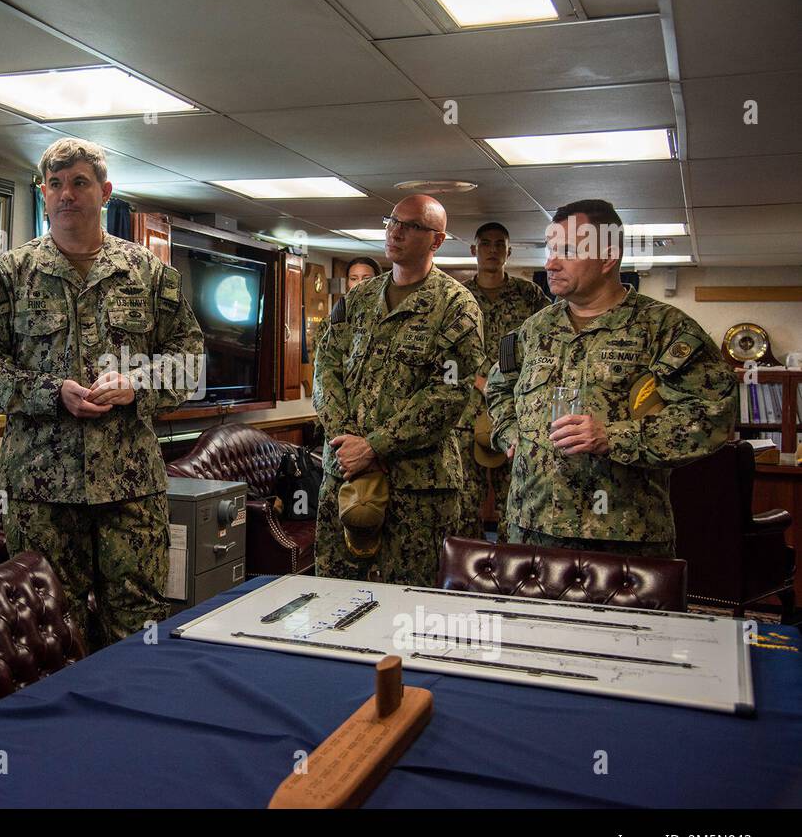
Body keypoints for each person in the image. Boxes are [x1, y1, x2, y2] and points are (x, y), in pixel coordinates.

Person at [0, 139, 203, 649]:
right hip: (40, 489)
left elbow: (190, 360)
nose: (66, 194)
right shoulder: (10, 276)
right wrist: (51, 392)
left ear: (105, 192)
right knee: (48, 625)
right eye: (56, 184)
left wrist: (137, 385)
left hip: (128, 484)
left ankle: (135, 723)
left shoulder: (150, 275)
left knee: (140, 620)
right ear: (44, 194)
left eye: (80, 182)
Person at [486, 199, 736, 557]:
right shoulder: (534, 329)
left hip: (622, 536)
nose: (550, 263)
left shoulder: (663, 329)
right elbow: (499, 390)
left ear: (608, 258)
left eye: (567, 251)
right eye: (551, 249)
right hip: (529, 527)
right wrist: (510, 434)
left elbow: (713, 415)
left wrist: (613, 437)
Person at [313, 196, 483, 584]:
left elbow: (448, 393)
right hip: (345, 475)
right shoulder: (357, 298)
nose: (395, 231)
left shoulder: (456, 305)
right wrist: (348, 443)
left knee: (408, 602)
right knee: (336, 592)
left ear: (436, 241)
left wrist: (374, 445)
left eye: (410, 225)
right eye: (391, 221)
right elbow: (327, 369)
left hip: (417, 488)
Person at [456, 222, 549, 540]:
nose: (492, 250)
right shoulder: (459, 297)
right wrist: (478, 379)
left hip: (515, 410)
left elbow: (546, 345)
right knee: (466, 500)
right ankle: (467, 568)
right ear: (474, 250)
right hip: (467, 412)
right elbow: (443, 352)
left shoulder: (529, 295)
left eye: (499, 244)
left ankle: (512, 568)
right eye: (485, 243)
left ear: (509, 251)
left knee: (518, 496)